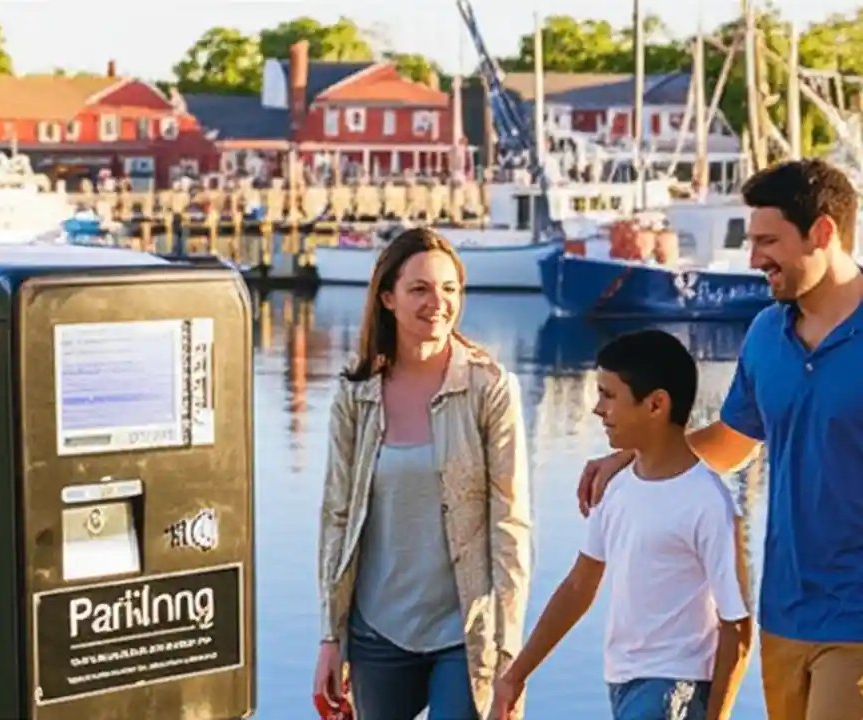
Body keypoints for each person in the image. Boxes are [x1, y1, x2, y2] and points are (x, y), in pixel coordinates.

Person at [576, 158, 863, 720]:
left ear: (823, 232)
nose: (755, 259)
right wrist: (633, 459)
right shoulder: (764, 335)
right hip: (782, 614)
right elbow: (735, 440)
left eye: (768, 241)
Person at [312, 227, 532, 720]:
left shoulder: (489, 388)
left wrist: (509, 654)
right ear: (387, 297)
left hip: (464, 630)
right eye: (420, 289)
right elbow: (337, 517)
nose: (439, 302)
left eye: (450, 289)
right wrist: (331, 637)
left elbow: (510, 526)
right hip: (376, 630)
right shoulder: (356, 392)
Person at [492, 330, 753, 720]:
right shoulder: (616, 487)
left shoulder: (706, 502)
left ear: (656, 405)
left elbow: (737, 627)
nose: (597, 409)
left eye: (608, 395)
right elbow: (579, 586)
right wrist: (516, 676)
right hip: (624, 683)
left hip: (672, 688)